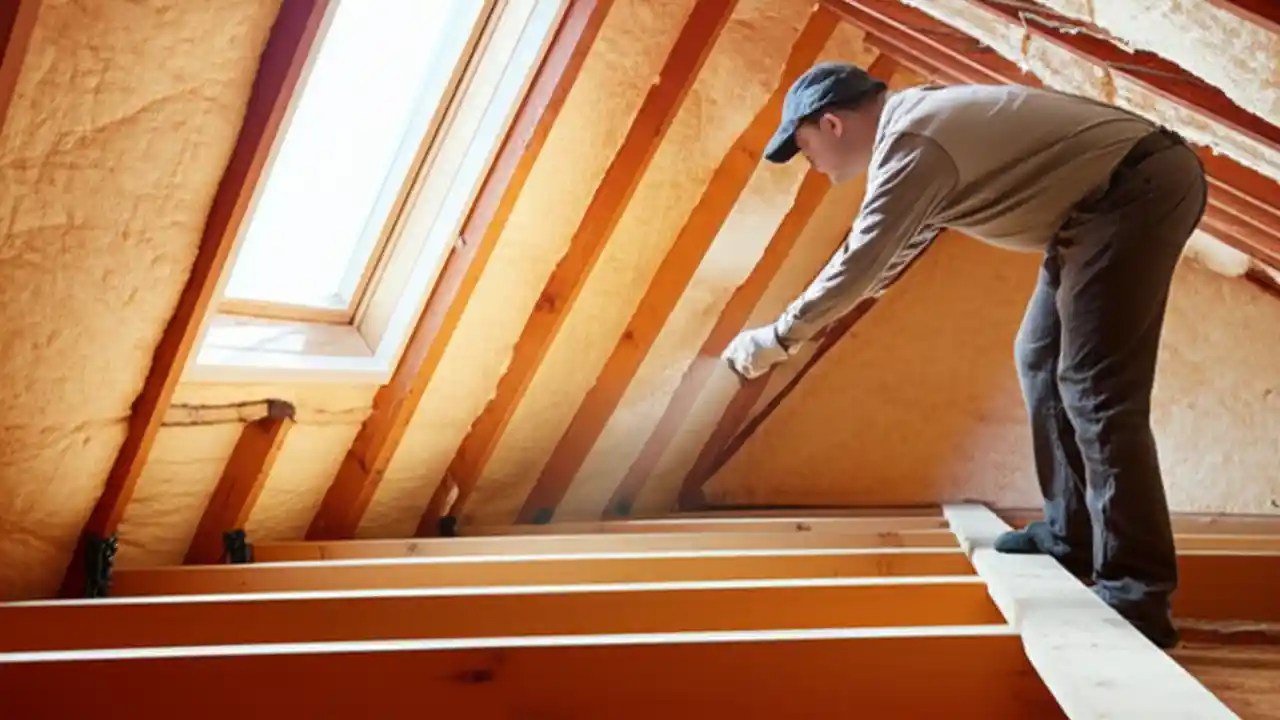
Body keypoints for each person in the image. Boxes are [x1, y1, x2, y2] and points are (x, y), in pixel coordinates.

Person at [722, 61, 1207, 648]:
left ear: (831, 124)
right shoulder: (916, 135)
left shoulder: (912, 144)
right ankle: (1072, 534)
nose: (812, 165)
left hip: (1131, 192)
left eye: (804, 149)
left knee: (1094, 389)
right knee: (1038, 358)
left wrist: (778, 337)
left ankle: (1137, 592)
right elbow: (890, 259)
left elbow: (861, 261)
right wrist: (816, 321)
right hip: (1098, 206)